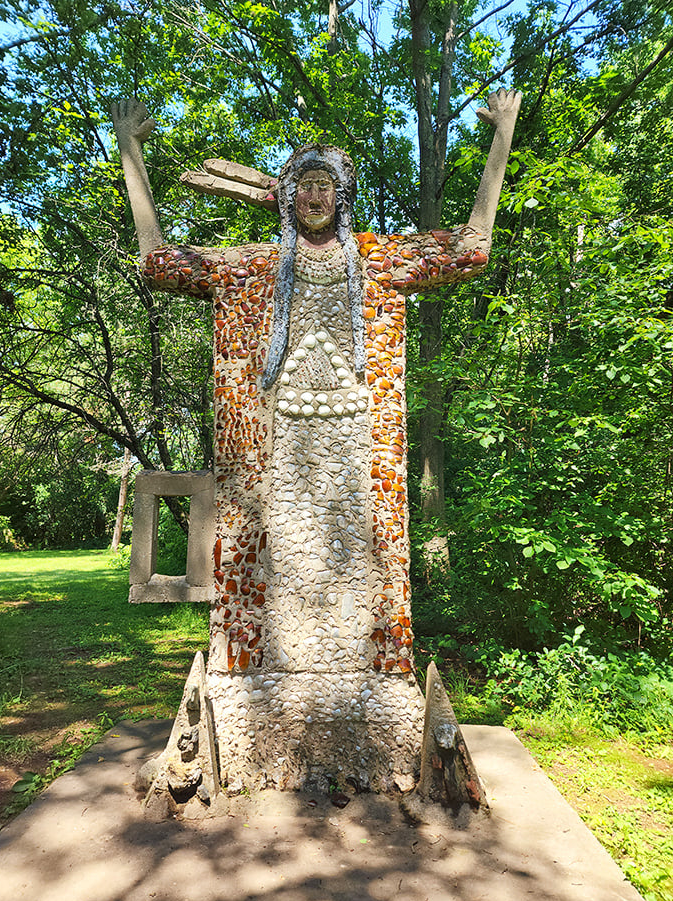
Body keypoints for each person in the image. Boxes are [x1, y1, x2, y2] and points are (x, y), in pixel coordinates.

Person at [112, 91, 521, 791]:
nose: (315, 196)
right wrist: (130, 153)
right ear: (287, 195)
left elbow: (470, 248)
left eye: (327, 185)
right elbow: (160, 261)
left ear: (343, 195)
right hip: (274, 465)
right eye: (304, 183)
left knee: (359, 581)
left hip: (360, 464)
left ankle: (367, 685)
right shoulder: (253, 270)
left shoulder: (378, 264)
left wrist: (501, 138)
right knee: (270, 578)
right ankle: (255, 689)